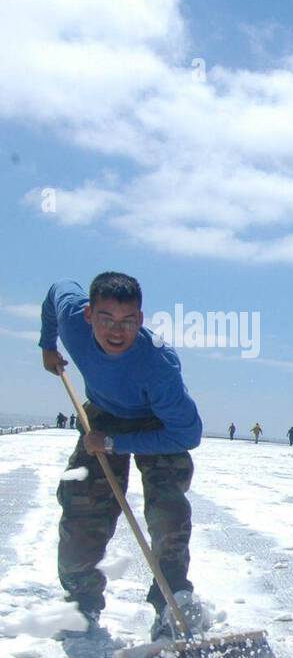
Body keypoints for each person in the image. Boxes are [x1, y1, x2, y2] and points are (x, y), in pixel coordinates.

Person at [39, 272, 205, 638]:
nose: (117, 331)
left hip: (156, 423)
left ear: (140, 320)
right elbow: (56, 290)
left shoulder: (159, 366)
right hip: (100, 412)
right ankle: (81, 601)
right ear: (88, 315)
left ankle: (173, 601)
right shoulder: (71, 319)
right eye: (106, 319)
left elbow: (187, 434)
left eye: (128, 321)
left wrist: (114, 443)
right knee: (82, 506)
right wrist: (47, 344)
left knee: (168, 511)